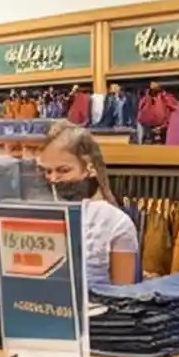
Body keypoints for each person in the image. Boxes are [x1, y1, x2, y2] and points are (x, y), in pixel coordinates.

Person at [39, 120, 139, 287]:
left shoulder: (118, 223)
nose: (53, 179)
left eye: (63, 170)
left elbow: (123, 298)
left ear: (90, 168)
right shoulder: (37, 214)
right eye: (48, 171)